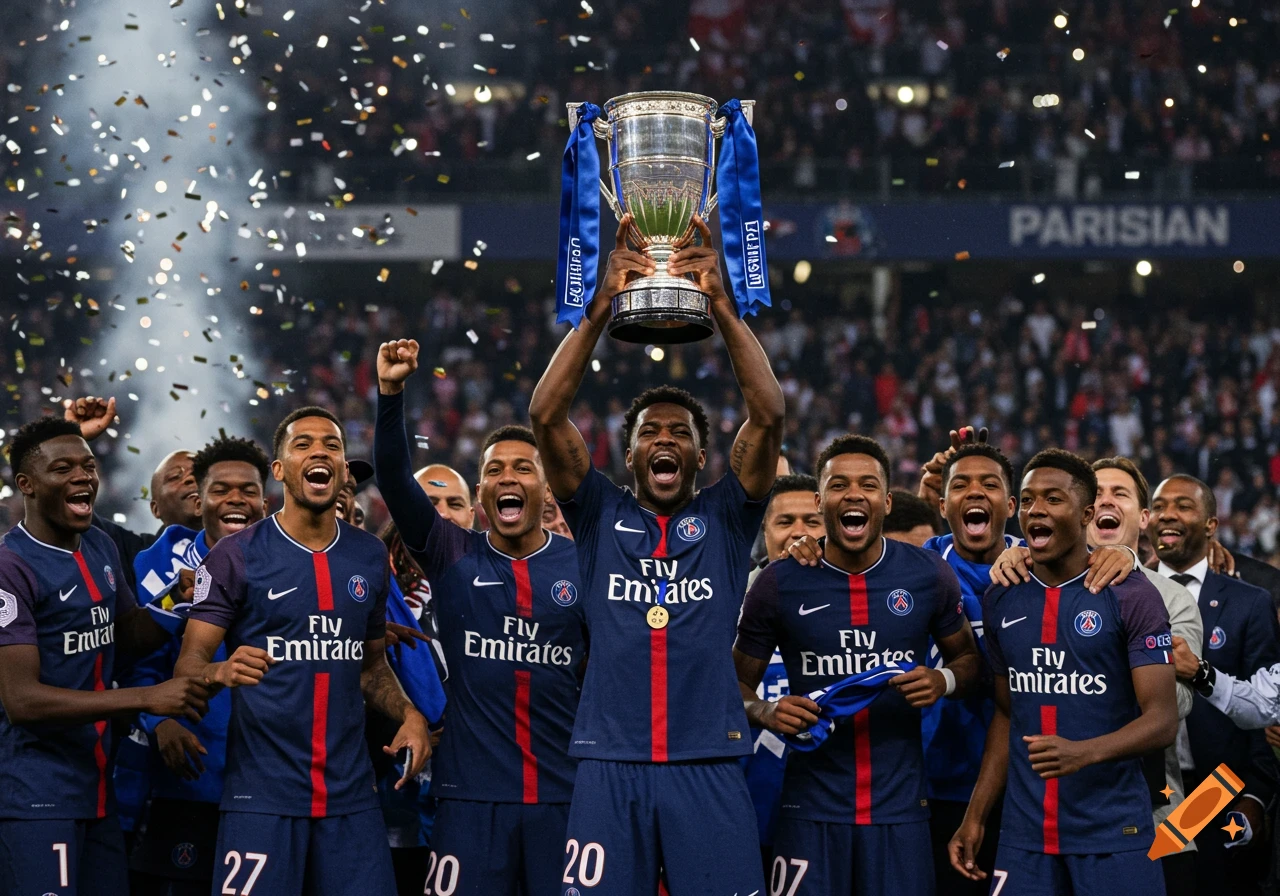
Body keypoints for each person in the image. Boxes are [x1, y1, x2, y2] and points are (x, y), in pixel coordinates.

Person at [529, 214, 785, 895]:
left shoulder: (728, 518)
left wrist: (724, 309)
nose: (663, 439)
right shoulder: (597, 514)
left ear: (701, 455)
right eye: (649, 432)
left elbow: (768, 415)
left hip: (708, 759)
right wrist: (598, 312)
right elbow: (546, 417)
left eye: (679, 431)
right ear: (630, 452)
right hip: (610, 763)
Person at [175, 406, 431, 896]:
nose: (320, 451)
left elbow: (372, 667)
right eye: (303, 444)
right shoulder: (233, 556)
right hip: (262, 800)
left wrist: (409, 714)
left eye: (332, 444)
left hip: (351, 801)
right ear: (279, 470)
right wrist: (219, 670)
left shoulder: (368, 555)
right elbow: (188, 665)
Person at [375, 338, 588, 896]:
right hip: (468, 796)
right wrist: (392, 393)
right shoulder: (452, 552)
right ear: (482, 492)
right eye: (495, 470)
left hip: (564, 794)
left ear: (546, 492)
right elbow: (395, 478)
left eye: (524, 468)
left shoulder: (586, 564)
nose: (509, 477)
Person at [735, 435, 981, 895]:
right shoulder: (777, 583)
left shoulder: (926, 575)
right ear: (820, 499)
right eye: (838, 484)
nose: (853, 494)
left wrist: (943, 679)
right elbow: (733, 685)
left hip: (901, 811)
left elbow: (969, 660)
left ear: (886, 502)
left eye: (868, 485)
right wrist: (763, 712)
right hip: (807, 810)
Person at [949, 449, 1178, 895]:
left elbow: (1162, 721)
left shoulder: (1130, 594)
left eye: (1053, 499)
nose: (1036, 509)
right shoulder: (1001, 596)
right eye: (1029, 499)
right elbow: (1006, 713)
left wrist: (1083, 753)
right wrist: (974, 816)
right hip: (1024, 838)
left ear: (1087, 513)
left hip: (1114, 834)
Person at [0, 416, 211, 896]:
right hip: (33, 796)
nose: (83, 477)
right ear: (27, 486)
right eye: (63, 469)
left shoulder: (97, 544)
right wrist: (146, 697)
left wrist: (176, 605)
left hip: (97, 791)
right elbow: (22, 701)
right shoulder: (9, 568)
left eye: (88, 465)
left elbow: (125, 633)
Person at [124, 435, 270, 896]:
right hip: (192, 781)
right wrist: (159, 721)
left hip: (277, 784)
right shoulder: (164, 573)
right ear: (199, 500)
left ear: (266, 501)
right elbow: (138, 665)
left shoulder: (294, 563)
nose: (235, 500)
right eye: (220, 490)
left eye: (248, 491)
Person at [1147, 474, 1280, 895]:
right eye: (1161, 505)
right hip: (1143, 791)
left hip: (1215, 791)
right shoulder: (1124, 592)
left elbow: (1265, 709)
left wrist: (1256, 796)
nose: (1169, 514)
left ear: (1210, 524)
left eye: (1183, 506)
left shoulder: (1249, 601)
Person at [741, 473, 823, 866]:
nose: (798, 533)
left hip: (826, 816)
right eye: (785, 521)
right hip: (744, 816)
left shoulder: (864, 608)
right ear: (765, 530)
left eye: (812, 521)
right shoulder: (727, 605)